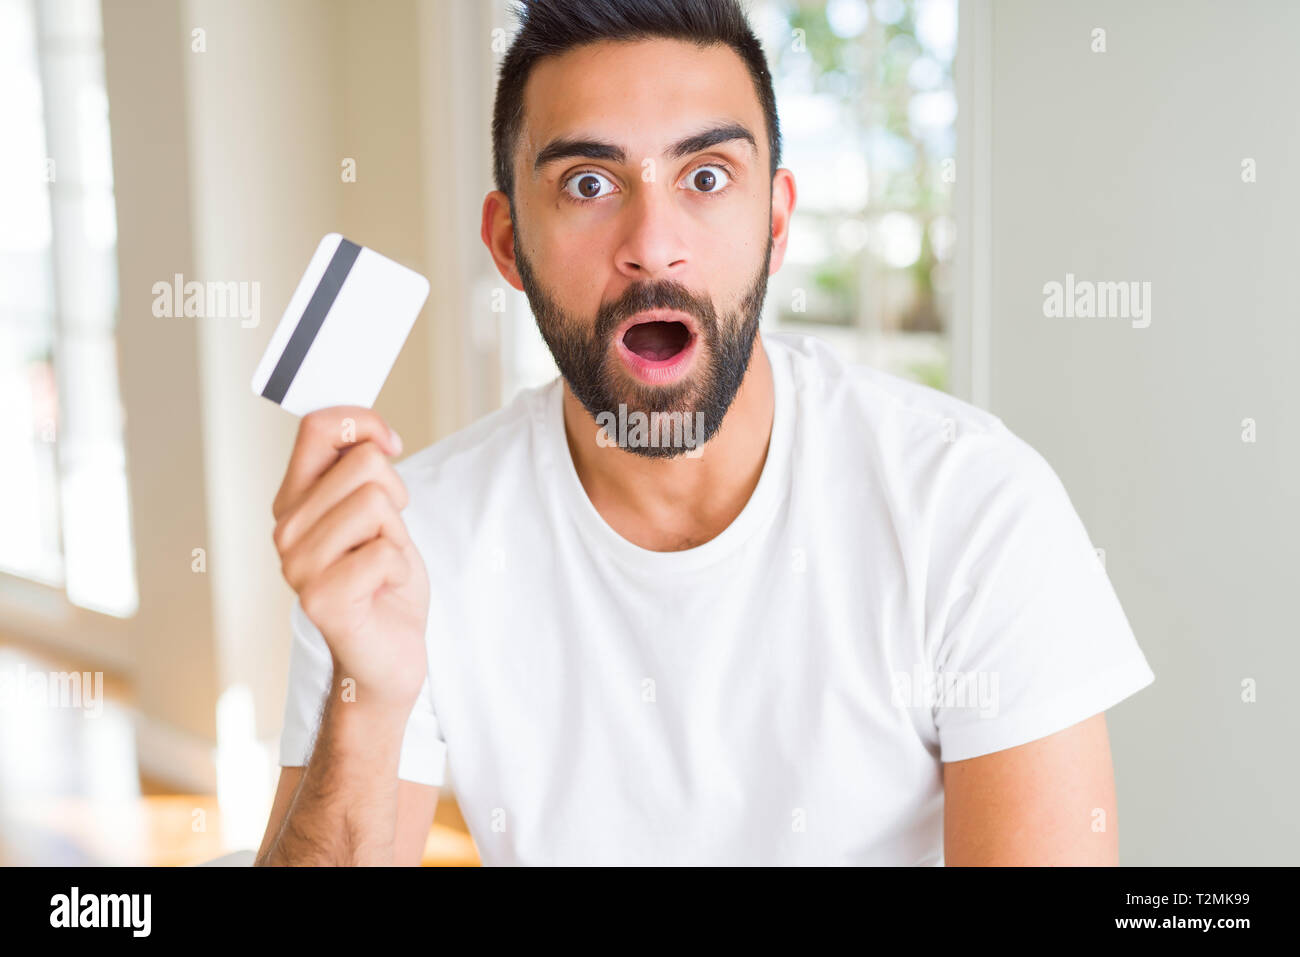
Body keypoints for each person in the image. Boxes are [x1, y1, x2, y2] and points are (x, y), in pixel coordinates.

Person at [256, 0, 1154, 866]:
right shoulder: (403, 554)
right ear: (507, 244)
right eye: (589, 183)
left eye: (707, 177)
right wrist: (367, 700)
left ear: (775, 221)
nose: (654, 243)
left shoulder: (974, 509)